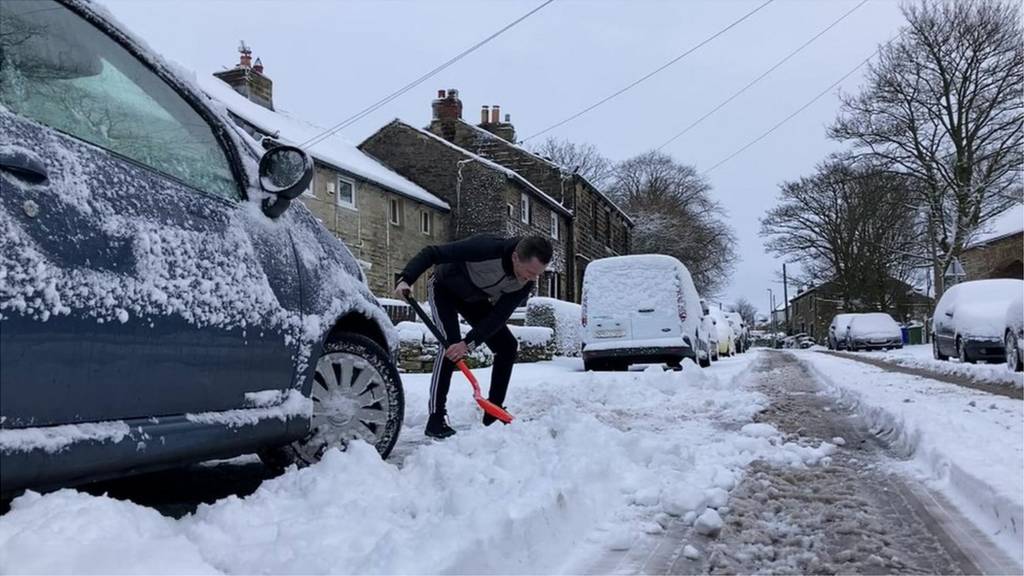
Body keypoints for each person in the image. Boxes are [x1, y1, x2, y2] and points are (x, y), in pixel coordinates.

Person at [394, 234, 553, 438]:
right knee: (450, 348)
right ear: (515, 257)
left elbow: (498, 316)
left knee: (507, 346)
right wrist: (407, 278)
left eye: (537, 274)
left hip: (473, 298)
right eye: (530, 272)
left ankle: (493, 412)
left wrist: (469, 343)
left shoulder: (526, 282)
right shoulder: (486, 248)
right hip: (444, 288)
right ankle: (436, 418)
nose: (532, 279)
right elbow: (432, 253)